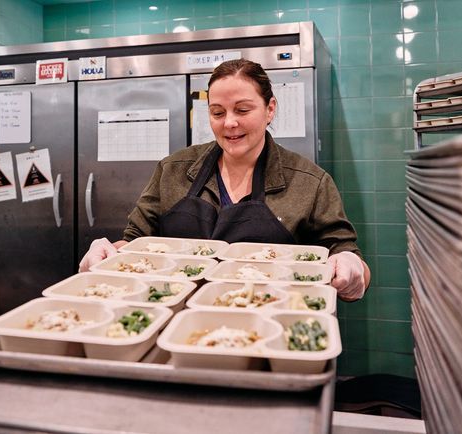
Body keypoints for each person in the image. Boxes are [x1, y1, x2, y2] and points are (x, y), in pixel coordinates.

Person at [79, 58, 370, 301]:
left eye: (243, 110)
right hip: (176, 323)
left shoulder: (310, 182)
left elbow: (346, 255)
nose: (229, 123)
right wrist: (106, 252)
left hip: (268, 325)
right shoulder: (172, 170)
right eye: (217, 112)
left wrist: (350, 267)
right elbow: (134, 242)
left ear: (270, 109)